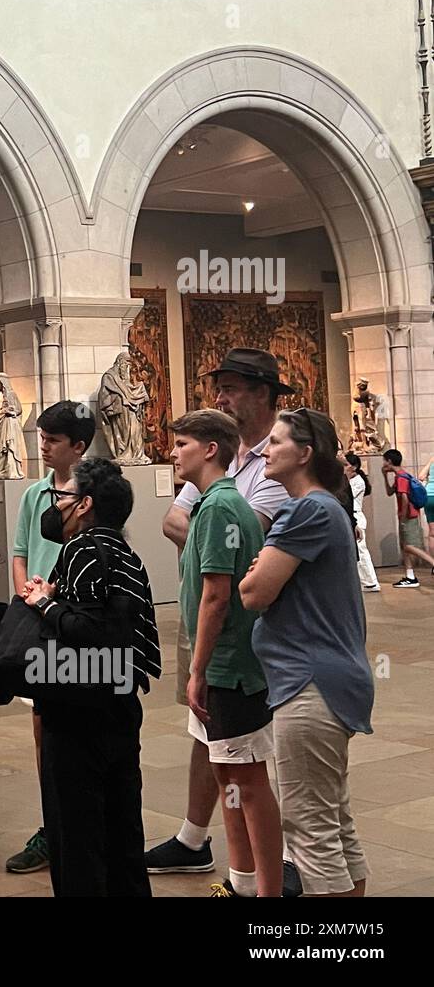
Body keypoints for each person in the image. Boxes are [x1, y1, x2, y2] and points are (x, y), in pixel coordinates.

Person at [149, 348, 291, 876]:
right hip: (217, 621)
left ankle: (265, 873)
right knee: (214, 742)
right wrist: (216, 542)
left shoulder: (279, 457)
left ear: (262, 393)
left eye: (230, 386)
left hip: (251, 626)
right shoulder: (215, 478)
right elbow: (172, 521)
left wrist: (214, 542)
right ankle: (205, 847)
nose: (220, 395)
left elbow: (249, 544)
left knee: (249, 763)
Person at [239, 410, 374, 897]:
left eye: (276, 442)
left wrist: (257, 571)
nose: (265, 450)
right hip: (328, 681)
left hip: (309, 683)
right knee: (335, 823)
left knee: (311, 833)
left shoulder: (306, 510)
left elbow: (254, 593)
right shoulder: (324, 509)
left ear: (305, 453)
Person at [19, 458, 163, 896]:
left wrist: (45, 604)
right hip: (119, 705)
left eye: (62, 497)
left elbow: (94, 633)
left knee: (77, 836)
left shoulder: (82, 550)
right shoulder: (125, 554)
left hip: (79, 712)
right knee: (122, 830)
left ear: (84, 505)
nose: (55, 505)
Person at [169, 411, 280, 898]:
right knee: (229, 774)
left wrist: (197, 669)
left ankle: (266, 891)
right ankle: (241, 880)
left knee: (247, 781)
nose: (173, 453)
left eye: (181, 444)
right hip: (225, 663)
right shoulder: (222, 502)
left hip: (228, 665)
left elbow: (217, 594)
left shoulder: (217, 508)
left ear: (210, 449)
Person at [5, 400, 94, 874]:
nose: (42, 446)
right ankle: (52, 824)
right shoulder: (33, 495)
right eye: (40, 437)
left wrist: (53, 595)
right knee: (45, 725)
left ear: (77, 447)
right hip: (39, 618)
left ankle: (80, 825)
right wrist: (26, 594)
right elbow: (20, 551)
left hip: (76, 623)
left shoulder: (97, 493)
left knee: (78, 723)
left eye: (52, 439)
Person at [382, 448, 434, 587]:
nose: (383, 464)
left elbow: (404, 498)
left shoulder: (401, 478)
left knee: (409, 546)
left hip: (408, 516)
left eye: (384, 461)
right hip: (407, 515)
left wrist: (403, 516)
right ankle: (410, 576)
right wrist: (384, 476)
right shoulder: (401, 476)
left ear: (389, 461)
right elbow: (389, 492)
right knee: (405, 546)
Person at [344, 452, 380, 593]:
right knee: (356, 551)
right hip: (351, 516)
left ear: (354, 467)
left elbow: (346, 496)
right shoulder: (349, 480)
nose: (343, 468)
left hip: (356, 517)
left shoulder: (358, 481)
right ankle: (362, 580)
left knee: (361, 550)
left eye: (346, 465)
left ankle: (370, 581)